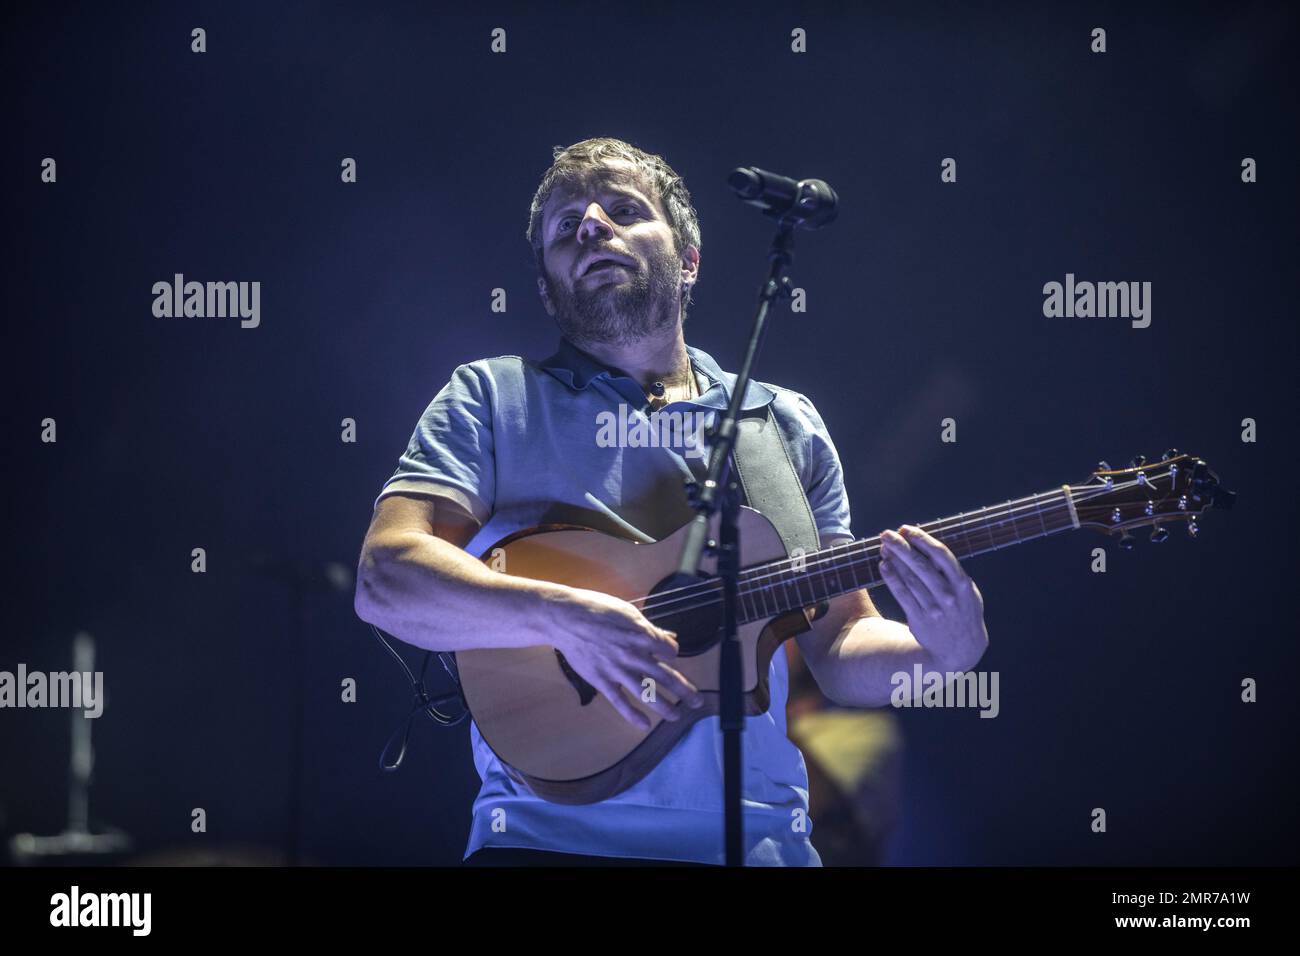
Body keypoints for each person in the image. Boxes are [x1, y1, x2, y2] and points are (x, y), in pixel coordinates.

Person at [353, 137, 989, 866]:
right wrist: (563, 616)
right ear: (546, 286)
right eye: (566, 227)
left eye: (624, 209)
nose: (592, 224)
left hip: (762, 846)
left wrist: (941, 652)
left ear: (688, 259)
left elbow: (840, 645)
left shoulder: (781, 424)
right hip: (540, 842)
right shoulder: (492, 398)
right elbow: (387, 579)